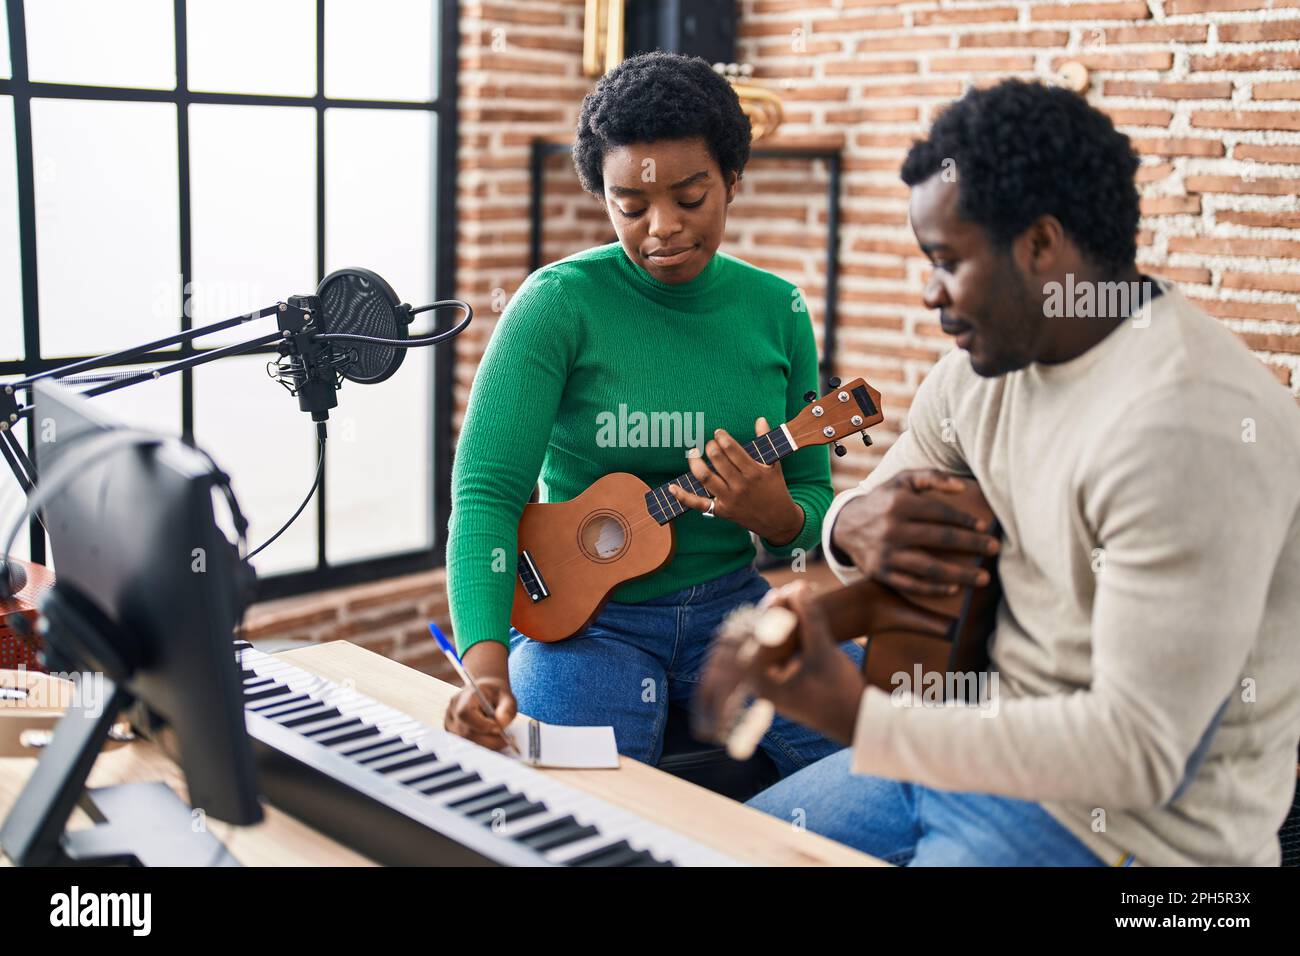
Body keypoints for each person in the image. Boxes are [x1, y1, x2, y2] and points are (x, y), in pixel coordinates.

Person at [725, 79, 1300, 865]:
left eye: (947, 261)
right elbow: (869, 504)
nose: (929, 293)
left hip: (1129, 837)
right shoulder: (983, 371)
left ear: (1039, 246)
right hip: (963, 754)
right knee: (707, 849)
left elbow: (1139, 750)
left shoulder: (1186, 427)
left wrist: (862, 718)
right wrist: (843, 522)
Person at [444, 52, 861, 774]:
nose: (660, 229)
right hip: (585, 624)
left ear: (733, 178)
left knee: (875, 754)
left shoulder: (778, 309)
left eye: (690, 197)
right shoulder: (556, 304)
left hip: (734, 610)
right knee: (570, 797)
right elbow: (486, 493)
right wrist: (485, 666)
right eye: (629, 207)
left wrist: (772, 514)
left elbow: (813, 498)